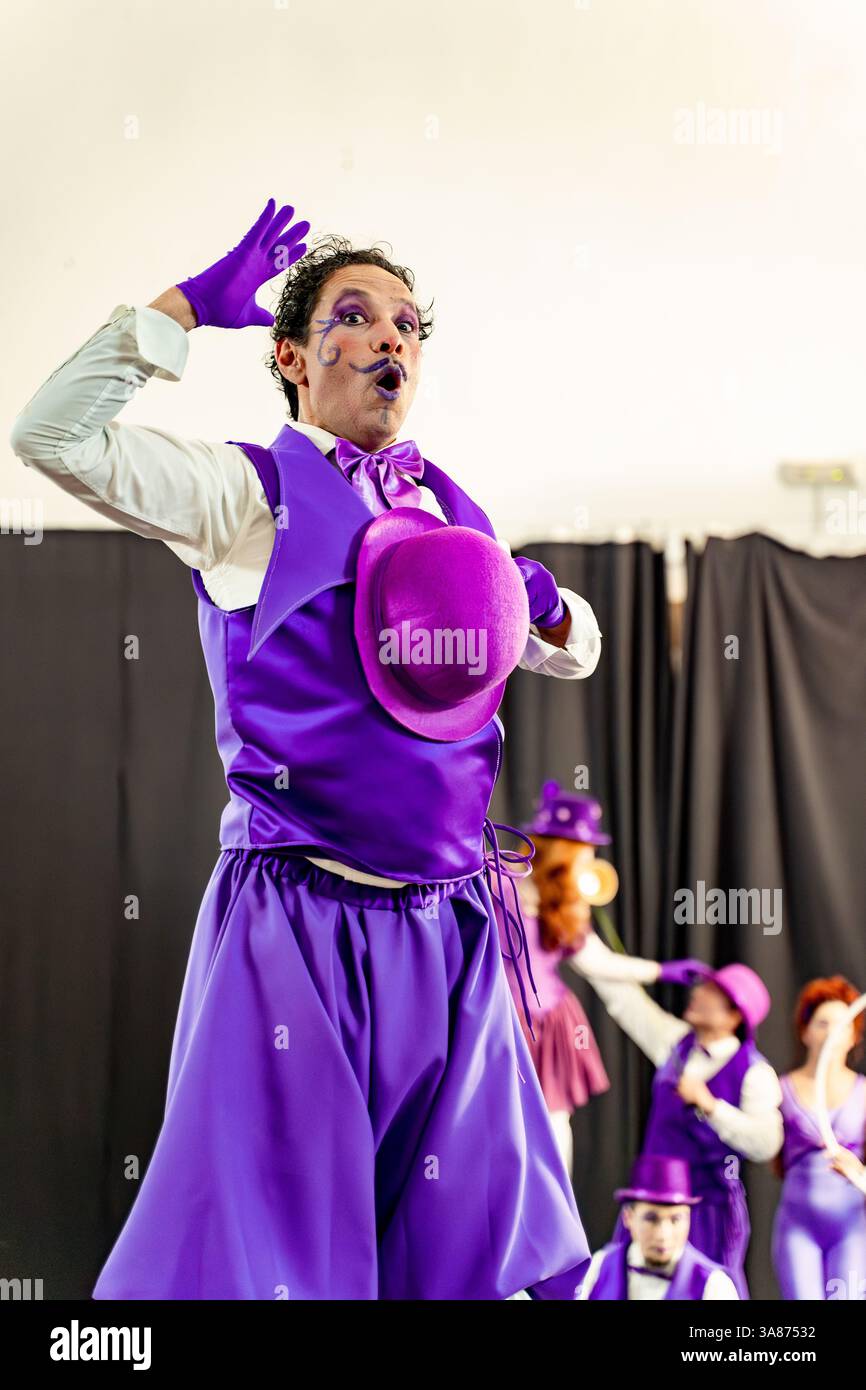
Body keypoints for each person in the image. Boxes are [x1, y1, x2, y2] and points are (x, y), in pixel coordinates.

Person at [10, 199, 605, 1300]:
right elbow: (51, 434)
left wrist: (539, 604)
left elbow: (573, 651)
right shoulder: (246, 498)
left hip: (448, 934)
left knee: (454, 1256)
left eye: (408, 323)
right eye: (355, 315)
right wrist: (183, 309)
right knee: (274, 1254)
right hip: (299, 922)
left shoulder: (451, 516)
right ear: (291, 355)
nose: (391, 337)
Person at [568, 933, 782, 1298]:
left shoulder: (754, 1073)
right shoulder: (674, 1043)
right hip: (653, 1198)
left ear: (734, 1015)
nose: (697, 993)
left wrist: (711, 1106)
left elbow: (766, 1143)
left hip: (707, 1210)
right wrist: (575, 934)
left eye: (711, 992)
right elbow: (623, 1000)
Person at [493, 782, 611, 1176]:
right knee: (498, 1117)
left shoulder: (569, 903)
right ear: (564, 851)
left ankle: (561, 1216)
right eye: (586, 851)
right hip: (500, 1020)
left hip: (552, 1021)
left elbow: (596, 962)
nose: (592, 860)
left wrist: (660, 971)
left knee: (555, 1120)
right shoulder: (499, 881)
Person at [771, 976, 866, 1300]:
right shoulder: (778, 1089)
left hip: (853, 1227)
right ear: (805, 1031)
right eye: (823, 1023)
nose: (833, 1032)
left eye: (842, 1024)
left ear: (854, 1035)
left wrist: (859, 1172)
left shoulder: (864, 1093)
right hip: (798, 1226)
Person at [577, 1155, 738, 1300]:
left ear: (689, 1220)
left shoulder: (714, 1285)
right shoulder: (599, 1266)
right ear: (628, 1218)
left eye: (676, 1220)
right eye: (651, 1219)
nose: (663, 1235)